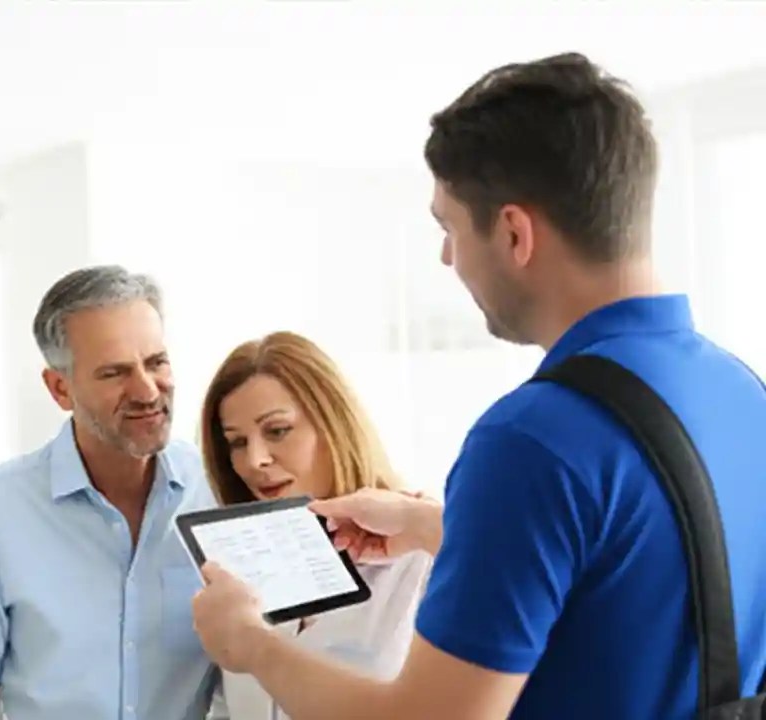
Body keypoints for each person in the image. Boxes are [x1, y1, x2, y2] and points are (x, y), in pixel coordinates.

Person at [191, 52, 766, 720]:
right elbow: (637, 572)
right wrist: (434, 527)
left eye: (449, 227)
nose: (446, 258)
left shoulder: (533, 439)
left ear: (515, 233)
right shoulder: (740, 393)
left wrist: (253, 645)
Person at [0, 265, 219, 720]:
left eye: (156, 362)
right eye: (114, 373)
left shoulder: (216, 490)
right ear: (60, 388)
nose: (146, 390)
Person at [198, 331, 432, 720]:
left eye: (277, 431)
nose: (254, 460)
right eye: (237, 442)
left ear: (334, 424)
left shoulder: (425, 559)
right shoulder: (244, 573)